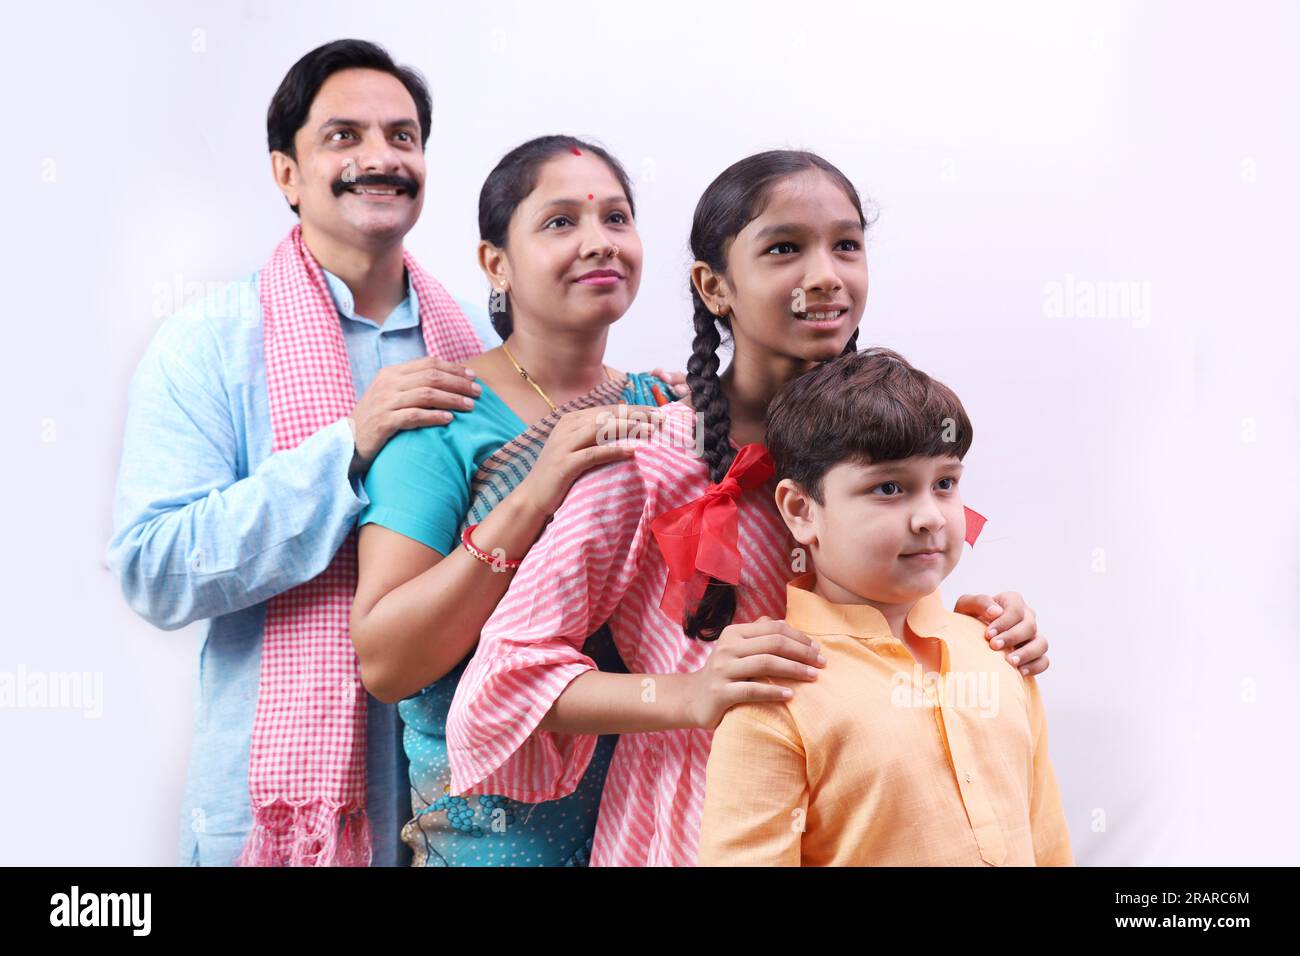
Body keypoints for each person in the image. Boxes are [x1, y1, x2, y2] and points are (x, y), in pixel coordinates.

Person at [445, 149, 1051, 865]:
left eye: (847, 245)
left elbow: (892, 619)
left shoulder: (884, 437)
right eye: (785, 248)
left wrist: (980, 632)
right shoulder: (650, 463)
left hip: (858, 832)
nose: (826, 276)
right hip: (688, 834)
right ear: (714, 286)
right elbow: (502, 679)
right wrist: (689, 694)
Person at [108, 39, 503, 866]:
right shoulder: (210, 341)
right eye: (344, 137)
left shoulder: (481, 341)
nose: (380, 159)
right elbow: (153, 569)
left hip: (464, 807)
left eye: (403, 137)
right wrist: (347, 451)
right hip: (279, 815)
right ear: (286, 174)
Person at [351, 135, 706, 865]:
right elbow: (387, 663)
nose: (599, 242)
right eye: (560, 223)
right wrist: (535, 493)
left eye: (616, 218)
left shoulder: (660, 408)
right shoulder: (443, 423)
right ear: (496, 264)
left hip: (650, 816)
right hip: (490, 837)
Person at [697, 346, 1073, 866]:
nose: (930, 518)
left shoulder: (1000, 649)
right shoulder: (777, 692)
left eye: (945, 483)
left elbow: (1048, 840)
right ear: (801, 510)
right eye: (889, 487)